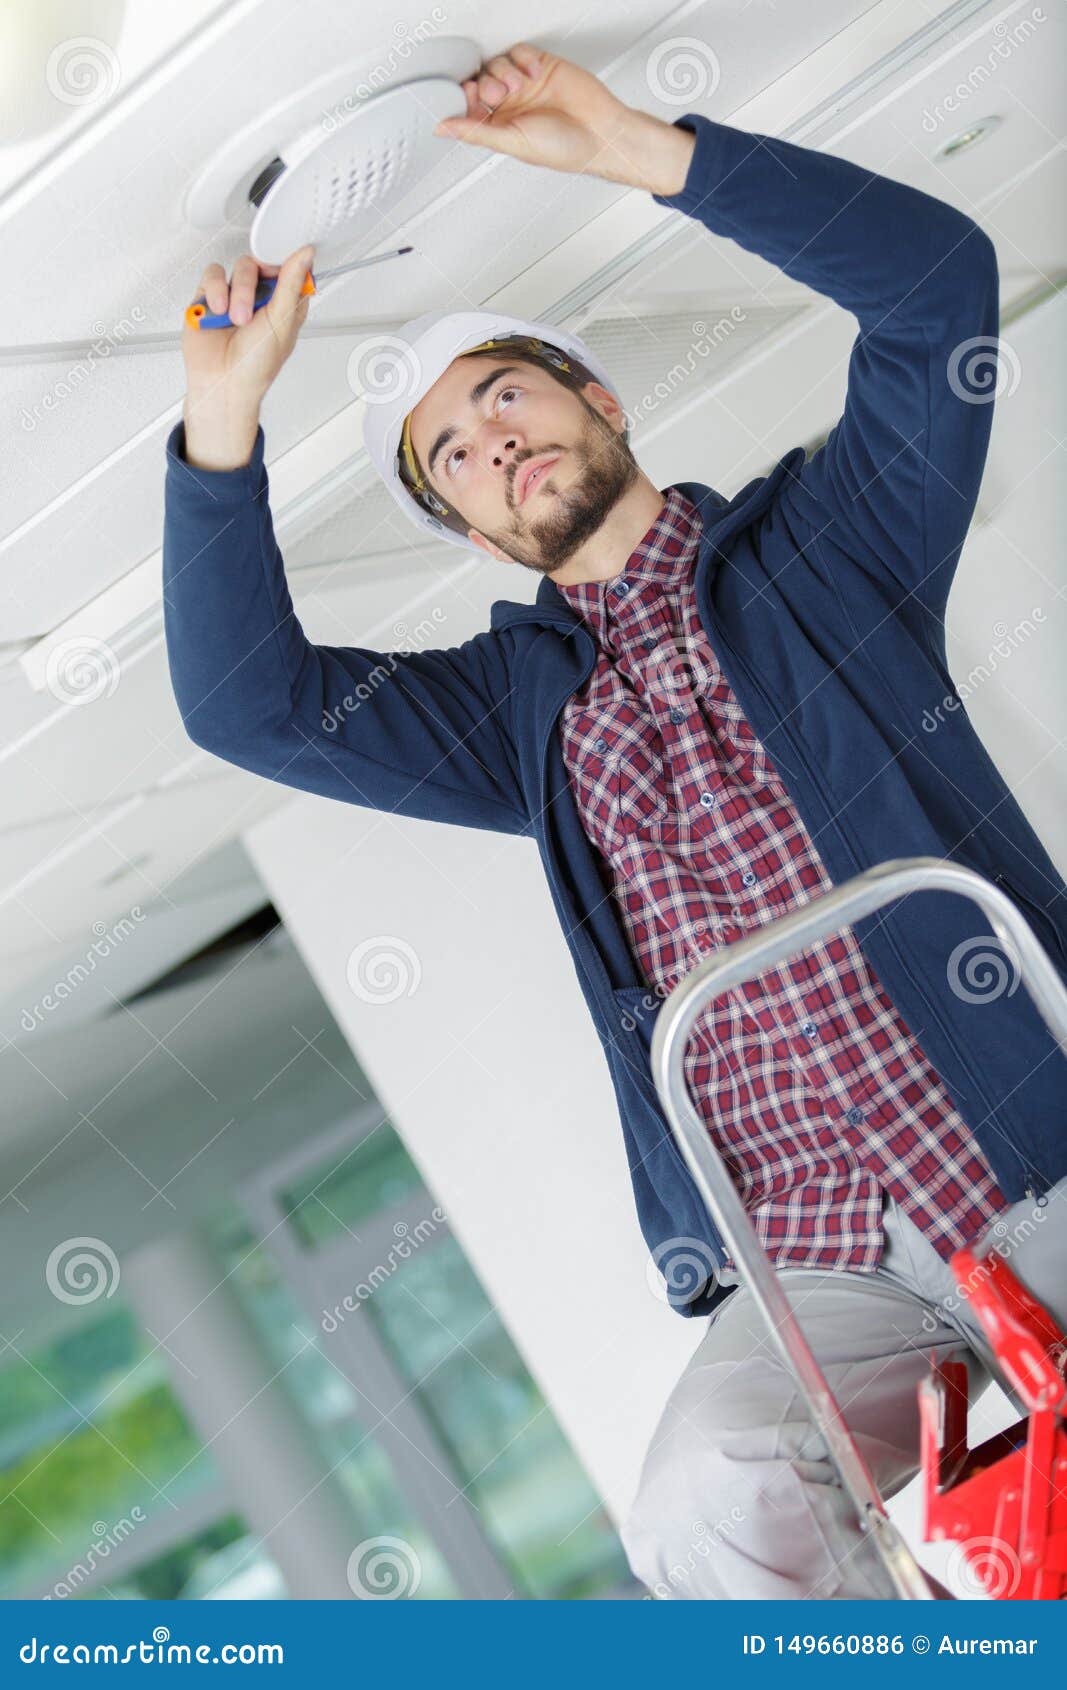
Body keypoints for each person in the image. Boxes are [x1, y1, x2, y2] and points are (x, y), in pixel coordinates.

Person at [164, 44, 1067, 1598]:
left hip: (1024, 1151)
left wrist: (645, 150)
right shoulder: (510, 722)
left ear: (597, 397)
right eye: (453, 460)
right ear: (472, 527)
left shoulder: (830, 548)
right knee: (704, 1510)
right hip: (817, 1254)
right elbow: (246, 702)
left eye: (504, 399)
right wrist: (222, 425)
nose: (492, 447)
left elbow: (939, 289)